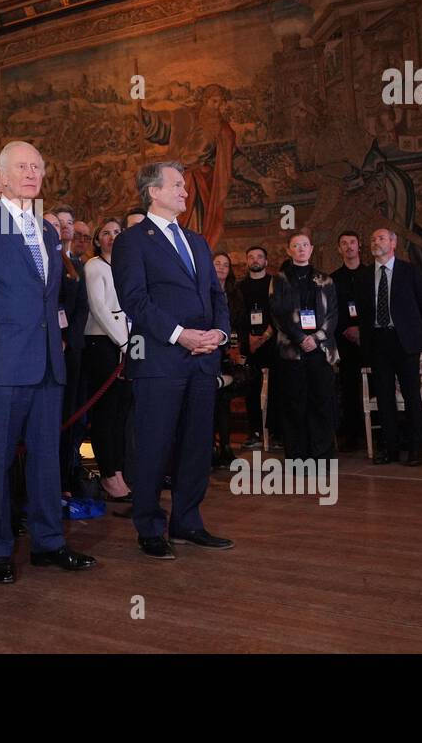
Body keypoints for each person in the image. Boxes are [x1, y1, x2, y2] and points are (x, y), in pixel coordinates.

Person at [0, 140, 96, 584]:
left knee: (46, 460)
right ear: (1, 177)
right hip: (0, 365)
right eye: (21, 166)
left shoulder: (46, 231)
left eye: (37, 166)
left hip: (47, 366)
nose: (30, 173)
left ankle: (48, 543)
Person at [112, 161, 233, 560]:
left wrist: (219, 333)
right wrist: (181, 335)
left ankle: (187, 522)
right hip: (161, 360)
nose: (185, 191)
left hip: (202, 361)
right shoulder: (132, 240)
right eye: (178, 185)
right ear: (154, 192)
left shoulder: (197, 241)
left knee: (197, 446)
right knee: (153, 446)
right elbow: (135, 300)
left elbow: (217, 295)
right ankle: (149, 526)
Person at [357, 228, 422, 466]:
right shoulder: (365, 275)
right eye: (372, 239)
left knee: (412, 397)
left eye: (380, 238)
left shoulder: (410, 271)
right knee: (384, 398)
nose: (375, 242)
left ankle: (415, 450)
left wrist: (416, 337)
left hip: (405, 343)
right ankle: (389, 449)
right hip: (378, 342)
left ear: (393, 243)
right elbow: (363, 312)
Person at [269, 233, 339, 460]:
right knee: (294, 405)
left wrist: (316, 338)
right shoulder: (279, 279)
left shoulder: (325, 279)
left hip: (320, 351)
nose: (301, 249)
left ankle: (322, 456)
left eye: (304, 245)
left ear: (311, 249)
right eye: (295, 246)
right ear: (289, 250)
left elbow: (333, 314)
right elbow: (277, 313)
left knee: (321, 403)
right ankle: (297, 457)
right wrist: (300, 338)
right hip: (291, 351)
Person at [83, 218, 132, 500]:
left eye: (117, 232)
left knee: (122, 412)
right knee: (106, 412)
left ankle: (120, 471)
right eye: (106, 233)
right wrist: (123, 342)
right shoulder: (94, 266)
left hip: (127, 344)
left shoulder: (127, 267)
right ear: (97, 239)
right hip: (103, 344)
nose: (112, 237)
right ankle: (108, 474)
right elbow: (99, 307)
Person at [45, 207, 89, 494]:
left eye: (68, 223)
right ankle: (55, 480)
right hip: (52, 345)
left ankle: (70, 470)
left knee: (73, 412)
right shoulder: (49, 259)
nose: (64, 228)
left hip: (72, 346)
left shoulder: (74, 262)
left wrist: (71, 339)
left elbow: (80, 306)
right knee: (57, 414)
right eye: (58, 224)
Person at [330, 231, 368, 451]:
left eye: (352, 242)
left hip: (370, 340)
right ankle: (353, 434)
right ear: (339, 249)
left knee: (376, 386)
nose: (349, 247)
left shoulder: (371, 274)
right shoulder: (333, 278)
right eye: (343, 243)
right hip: (345, 340)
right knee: (349, 387)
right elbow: (332, 310)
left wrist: (362, 330)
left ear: (359, 245)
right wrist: (347, 329)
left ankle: (378, 434)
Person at [239, 246, 280, 450]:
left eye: (259, 257)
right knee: (251, 388)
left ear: (266, 261)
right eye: (251, 256)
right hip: (250, 344)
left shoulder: (276, 283)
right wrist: (250, 338)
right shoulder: (240, 287)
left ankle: (274, 431)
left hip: (273, 342)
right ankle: (254, 431)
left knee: (276, 387)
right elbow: (239, 314)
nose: (255, 260)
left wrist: (265, 336)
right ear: (247, 261)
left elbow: (279, 312)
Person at [212, 251, 247, 466]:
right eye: (217, 264)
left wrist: (235, 348)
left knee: (224, 402)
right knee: (209, 401)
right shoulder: (203, 290)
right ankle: (210, 446)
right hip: (210, 349)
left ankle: (225, 445)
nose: (222, 268)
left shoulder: (235, 293)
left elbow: (241, 323)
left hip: (230, 351)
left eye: (226, 265)